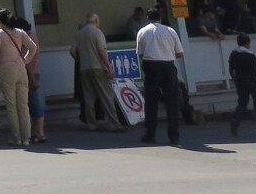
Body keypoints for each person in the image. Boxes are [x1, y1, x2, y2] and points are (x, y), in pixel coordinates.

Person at [0, 9, 37, 146]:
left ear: (0, 21)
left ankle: (17, 138)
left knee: (11, 105)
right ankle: (26, 138)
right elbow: (33, 48)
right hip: (21, 68)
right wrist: (25, 61)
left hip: (6, 69)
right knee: (23, 105)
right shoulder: (20, 32)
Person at [135, 9, 184, 145]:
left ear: (148, 18)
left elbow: (140, 53)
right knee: (172, 101)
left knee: (151, 102)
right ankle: (174, 135)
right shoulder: (170, 31)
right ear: (161, 17)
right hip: (168, 65)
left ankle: (150, 134)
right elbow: (179, 53)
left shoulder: (142, 31)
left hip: (151, 66)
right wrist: (167, 55)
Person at [70, 13, 123, 131]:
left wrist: (80, 60)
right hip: (98, 67)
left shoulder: (79, 33)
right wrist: (109, 67)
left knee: (89, 97)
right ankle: (113, 123)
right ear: (96, 20)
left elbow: (72, 51)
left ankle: (91, 124)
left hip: (84, 68)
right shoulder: (97, 32)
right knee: (106, 96)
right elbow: (101, 50)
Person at [228, 33, 256, 136]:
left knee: (242, 102)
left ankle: (235, 120)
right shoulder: (250, 55)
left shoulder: (234, 53)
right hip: (251, 81)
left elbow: (231, 69)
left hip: (240, 81)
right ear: (248, 42)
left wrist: (235, 79)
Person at [13, 17, 46, 144]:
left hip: (30, 72)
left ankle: (40, 132)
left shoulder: (28, 37)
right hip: (31, 71)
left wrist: (22, 62)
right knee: (29, 102)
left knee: (33, 101)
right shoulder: (31, 35)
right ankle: (35, 132)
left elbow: (28, 55)